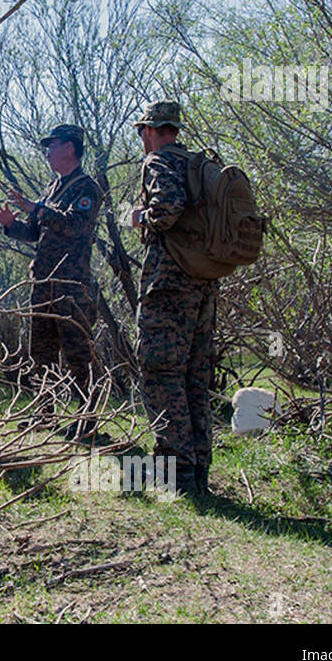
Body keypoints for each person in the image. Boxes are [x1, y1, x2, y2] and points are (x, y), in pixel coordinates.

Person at [0, 124, 103, 435]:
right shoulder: (51, 188)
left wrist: (35, 207)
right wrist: (11, 225)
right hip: (43, 283)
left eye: (51, 146)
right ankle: (45, 413)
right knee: (41, 352)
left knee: (77, 351)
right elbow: (34, 232)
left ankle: (87, 417)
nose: (47, 152)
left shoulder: (87, 188)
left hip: (70, 285)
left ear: (70, 148)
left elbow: (75, 225)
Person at [129, 100, 217, 496]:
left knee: (160, 372)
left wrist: (141, 217)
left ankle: (172, 472)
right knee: (194, 375)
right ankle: (198, 471)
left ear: (149, 130)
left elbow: (167, 209)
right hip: (204, 283)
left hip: (168, 286)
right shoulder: (199, 164)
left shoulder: (158, 162)